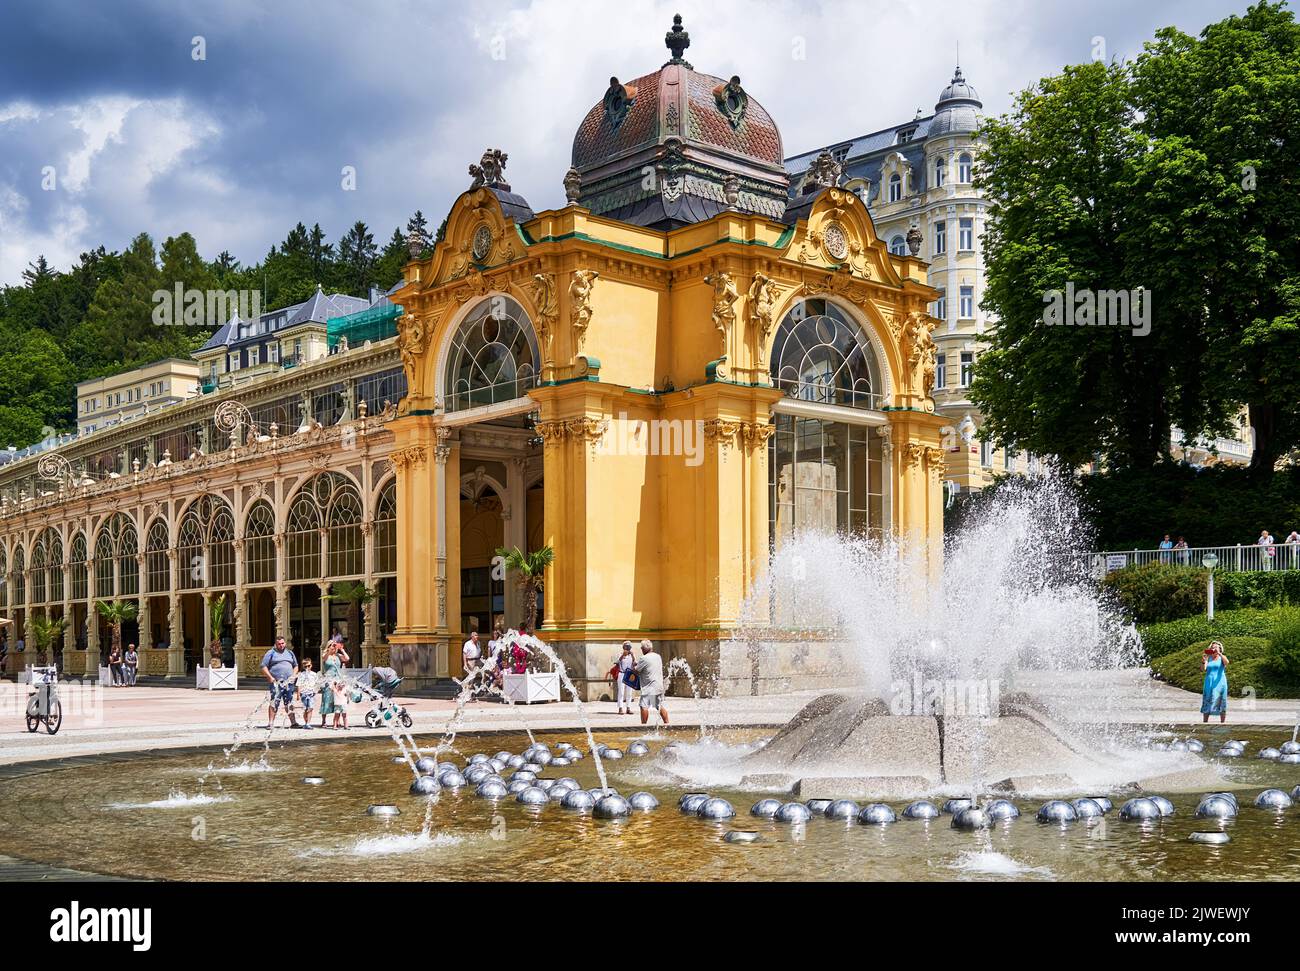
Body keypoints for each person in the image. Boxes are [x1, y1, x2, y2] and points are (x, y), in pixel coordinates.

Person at [260, 636, 301, 729]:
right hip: (276, 682)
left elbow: (296, 666)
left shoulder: (290, 653)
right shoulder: (271, 653)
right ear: (276, 644)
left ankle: (293, 722)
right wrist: (269, 677)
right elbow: (263, 666)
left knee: (289, 702)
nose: (281, 645)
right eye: (279, 644)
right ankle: (270, 723)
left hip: (288, 682)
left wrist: (293, 675)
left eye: (282, 643)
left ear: (285, 643)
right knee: (274, 701)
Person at [635, 639, 669, 727]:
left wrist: (633, 666)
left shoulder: (644, 658)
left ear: (644, 648)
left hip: (649, 687)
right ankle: (667, 723)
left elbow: (636, 670)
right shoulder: (658, 656)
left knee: (643, 705)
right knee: (658, 705)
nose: (641, 650)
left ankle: (643, 726)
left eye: (642, 648)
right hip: (658, 685)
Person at [320, 639, 351, 729]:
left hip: (337, 679)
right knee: (326, 700)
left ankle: (338, 721)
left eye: (335, 645)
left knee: (338, 700)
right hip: (328, 680)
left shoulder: (338, 655)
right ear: (329, 646)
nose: (334, 647)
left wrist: (342, 649)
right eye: (332, 645)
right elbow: (324, 658)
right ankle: (324, 721)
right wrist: (329, 650)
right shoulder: (326, 655)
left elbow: (347, 658)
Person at [1201, 640, 1230, 724]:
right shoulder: (1208, 658)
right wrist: (1203, 661)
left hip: (1220, 682)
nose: (1214, 648)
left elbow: (1227, 663)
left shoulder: (1221, 657)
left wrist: (1219, 654)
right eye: (1212, 647)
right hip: (1209, 681)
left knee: (1221, 700)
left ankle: (1222, 722)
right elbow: (1203, 669)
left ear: (1220, 649)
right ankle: (1205, 722)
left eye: (1215, 647)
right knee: (1207, 699)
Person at [612, 641, 638, 715]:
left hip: (629, 674)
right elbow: (617, 662)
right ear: (623, 648)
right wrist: (622, 656)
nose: (627, 649)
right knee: (621, 692)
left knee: (629, 692)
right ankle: (620, 708)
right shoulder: (620, 654)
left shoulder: (632, 655)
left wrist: (632, 656)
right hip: (621, 674)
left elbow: (635, 663)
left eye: (628, 647)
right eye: (626, 647)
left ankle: (628, 708)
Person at [295, 658, 320, 730]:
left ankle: (308, 723)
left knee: (311, 708)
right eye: (305, 666)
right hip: (304, 693)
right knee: (305, 708)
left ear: (311, 665)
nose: (307, 668)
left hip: (311, 693)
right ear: (303, 667)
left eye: (308, 666)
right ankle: (306, 722)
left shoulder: (314, 674)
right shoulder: (301, 675)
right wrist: (298, 694)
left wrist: (315, 691)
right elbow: (299, 684)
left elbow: (317, 684)